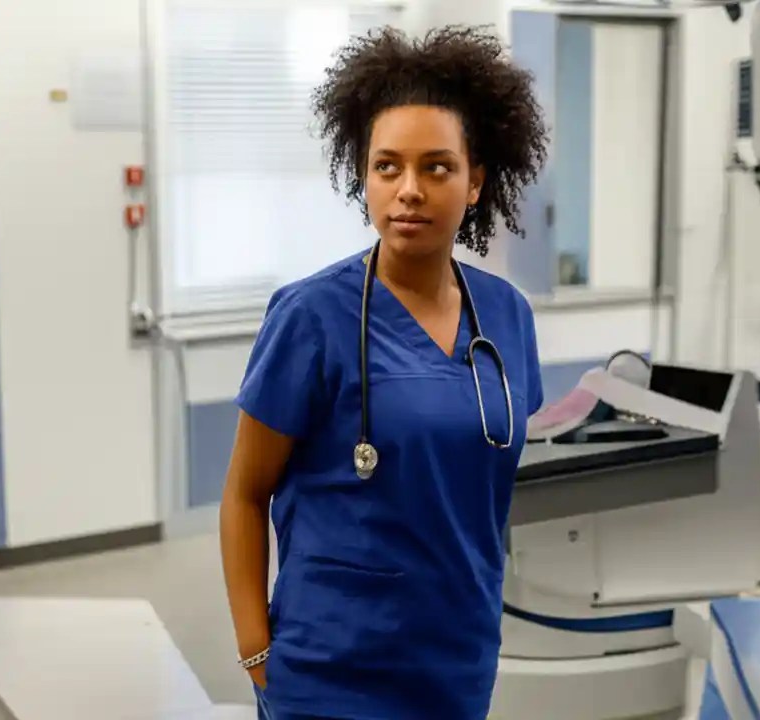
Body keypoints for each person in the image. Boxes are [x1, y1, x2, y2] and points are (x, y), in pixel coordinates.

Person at [219, 24, 550, 720]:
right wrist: (257, 651)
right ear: (362, 175)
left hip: (456, 661)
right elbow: (245, 495)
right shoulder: (311, 317)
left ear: (476, 179)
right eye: (388, 166)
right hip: (330, 669)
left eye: (437, 167)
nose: (409, 190)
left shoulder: (507, 317)